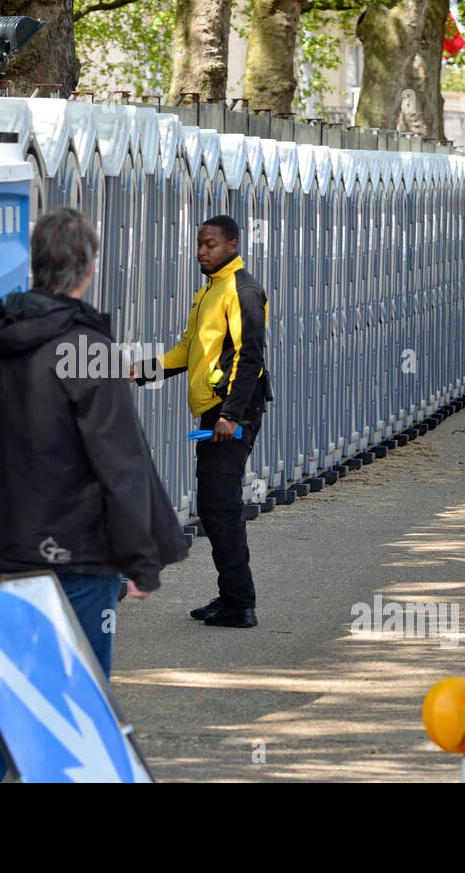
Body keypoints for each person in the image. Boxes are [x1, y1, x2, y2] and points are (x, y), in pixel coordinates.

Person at [0, 207, 187, 783]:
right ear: (88, 269)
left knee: (4, 693)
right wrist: (141, 561)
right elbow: (120, 463)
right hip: (77, 556)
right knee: (80, 706)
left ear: (35, 264)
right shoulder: (87, 347)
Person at [135, 215, 272, 629]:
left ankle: (239, 603)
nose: (201, 251)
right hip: (216, 411)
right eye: (199, 244)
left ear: (232, 246)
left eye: (210, 244)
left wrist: (230, 415)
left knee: (219, 504)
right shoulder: (209, 291)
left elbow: (251, 357)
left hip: (233, 412)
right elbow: (186, 349)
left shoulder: (243, 291)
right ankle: (232, 596)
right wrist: (141, 370)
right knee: (215, 505)